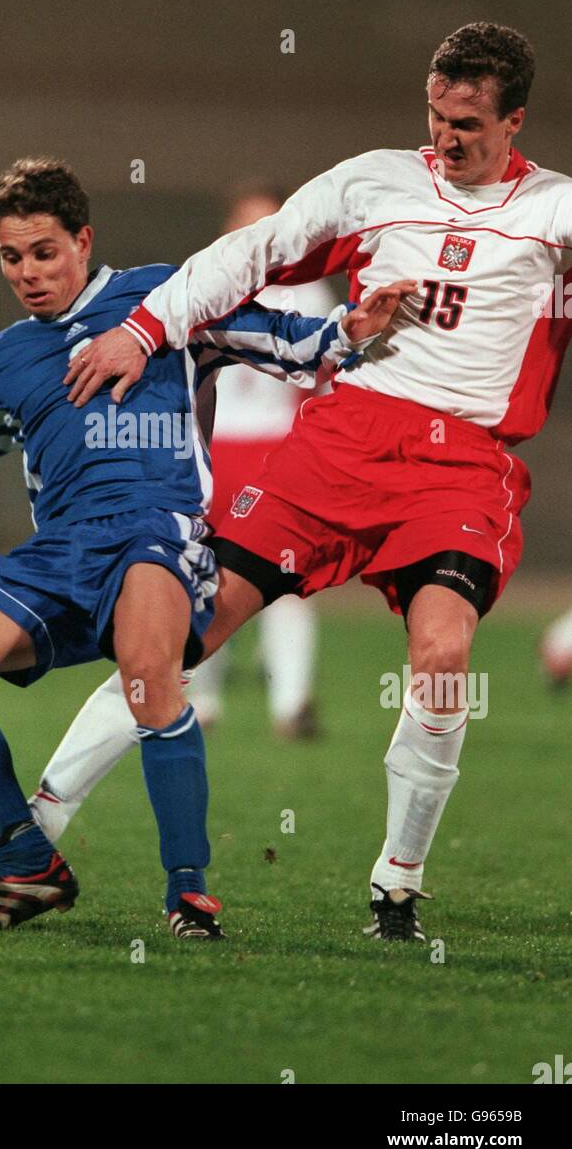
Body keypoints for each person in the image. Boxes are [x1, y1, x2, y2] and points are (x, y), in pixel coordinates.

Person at [0, 157, 401, 940]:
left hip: (159, 534)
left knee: (151, 674)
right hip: (61, 557)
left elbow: (279, 338)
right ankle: (25, 858)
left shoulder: (162, 299)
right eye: (11, 258)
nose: (28, 273)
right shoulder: (3, 363)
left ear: (83, 240)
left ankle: (189, 895)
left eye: (44, 252)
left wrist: (349, 329)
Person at [57, 23, 572, 942]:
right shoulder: (373, 182)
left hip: (461, 466)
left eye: (467, 123)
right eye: (436, 115)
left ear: (513, 119)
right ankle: (37, 832)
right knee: (174, 633)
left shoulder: (553, 214)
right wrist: (144, 327)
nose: (447, 137)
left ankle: (398, 880)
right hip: (339, 443)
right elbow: (246, 255)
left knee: (444, 658)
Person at [188, 186, 336, 738]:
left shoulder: (312, 292)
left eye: (268, 223)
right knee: (199, 573)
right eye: (246, 222)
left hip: (276, 449)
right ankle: (200, 700)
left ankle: (291, 703)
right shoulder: (204, 281)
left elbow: (323, 383)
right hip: (210, 448)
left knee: (285, 576)